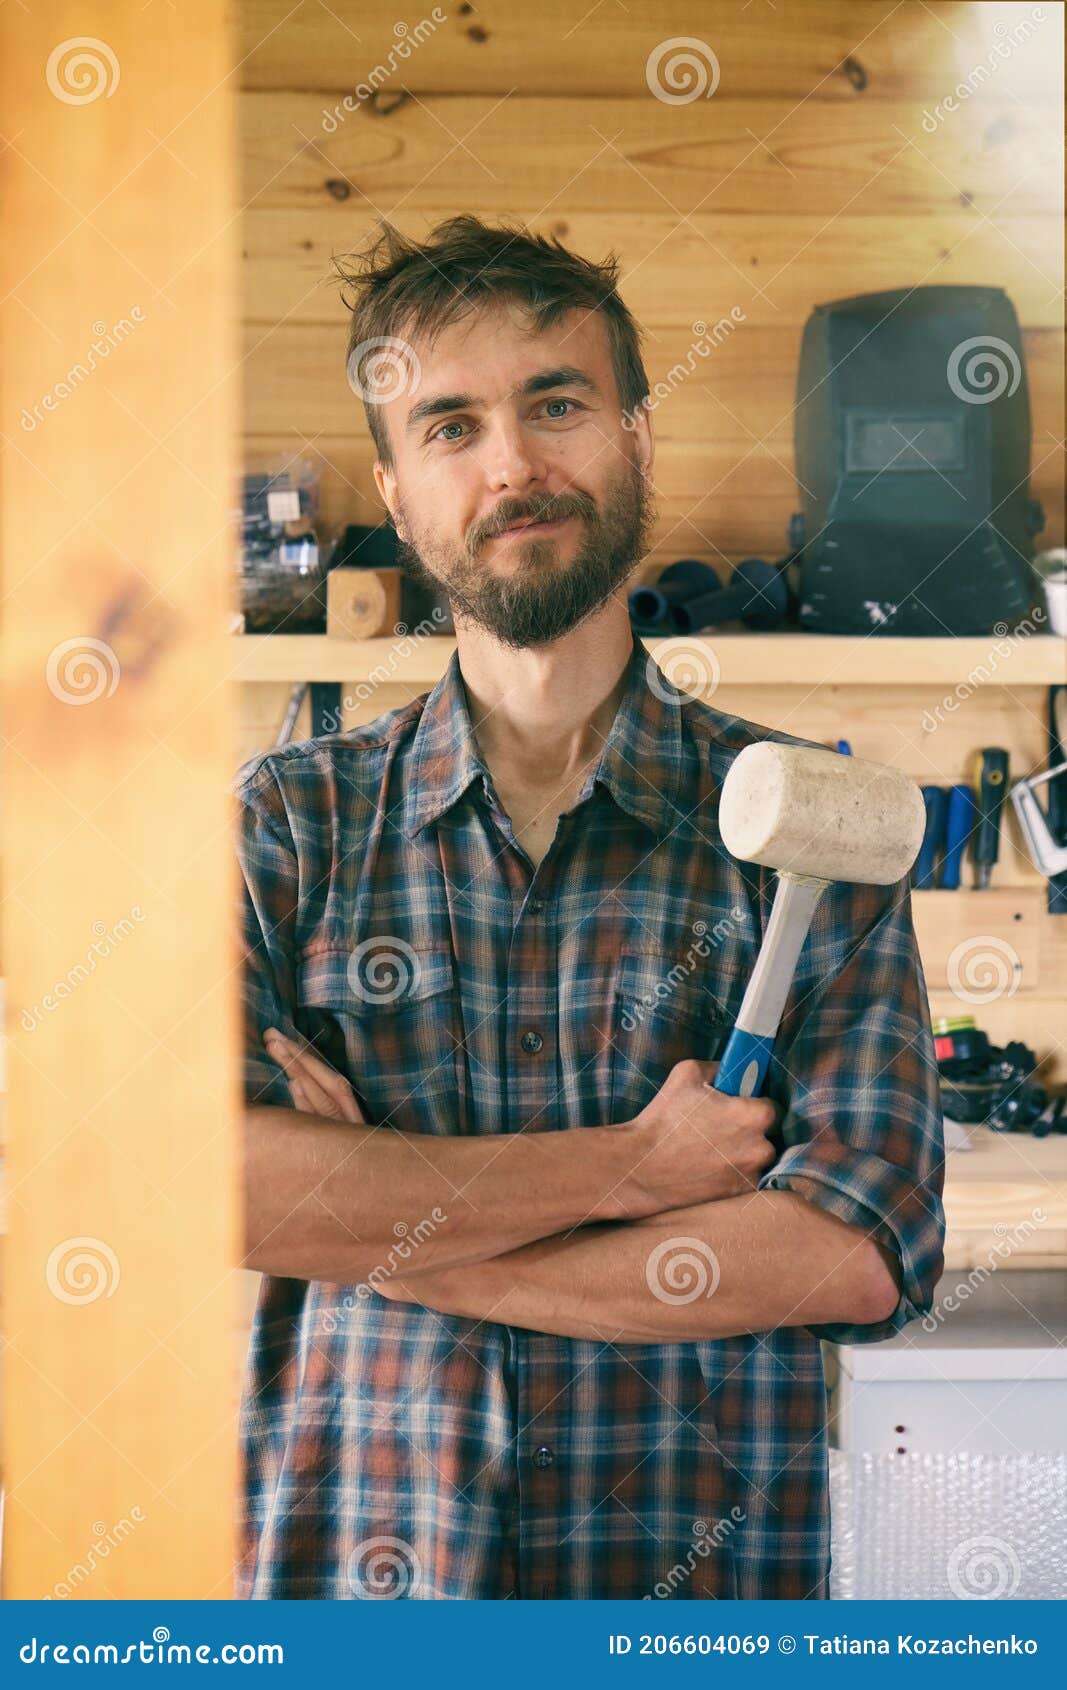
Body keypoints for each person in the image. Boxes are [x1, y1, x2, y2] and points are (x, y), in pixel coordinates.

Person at [233, 215, 945, 1601]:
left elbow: (852, 1249)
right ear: (397, 483)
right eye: (452, 425)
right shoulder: (286, 827)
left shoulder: (810, 837)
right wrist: (636, 1166)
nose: (513, 463)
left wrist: (392, 1237)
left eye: (556, 402)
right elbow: (204, 1184)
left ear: (635, 439)